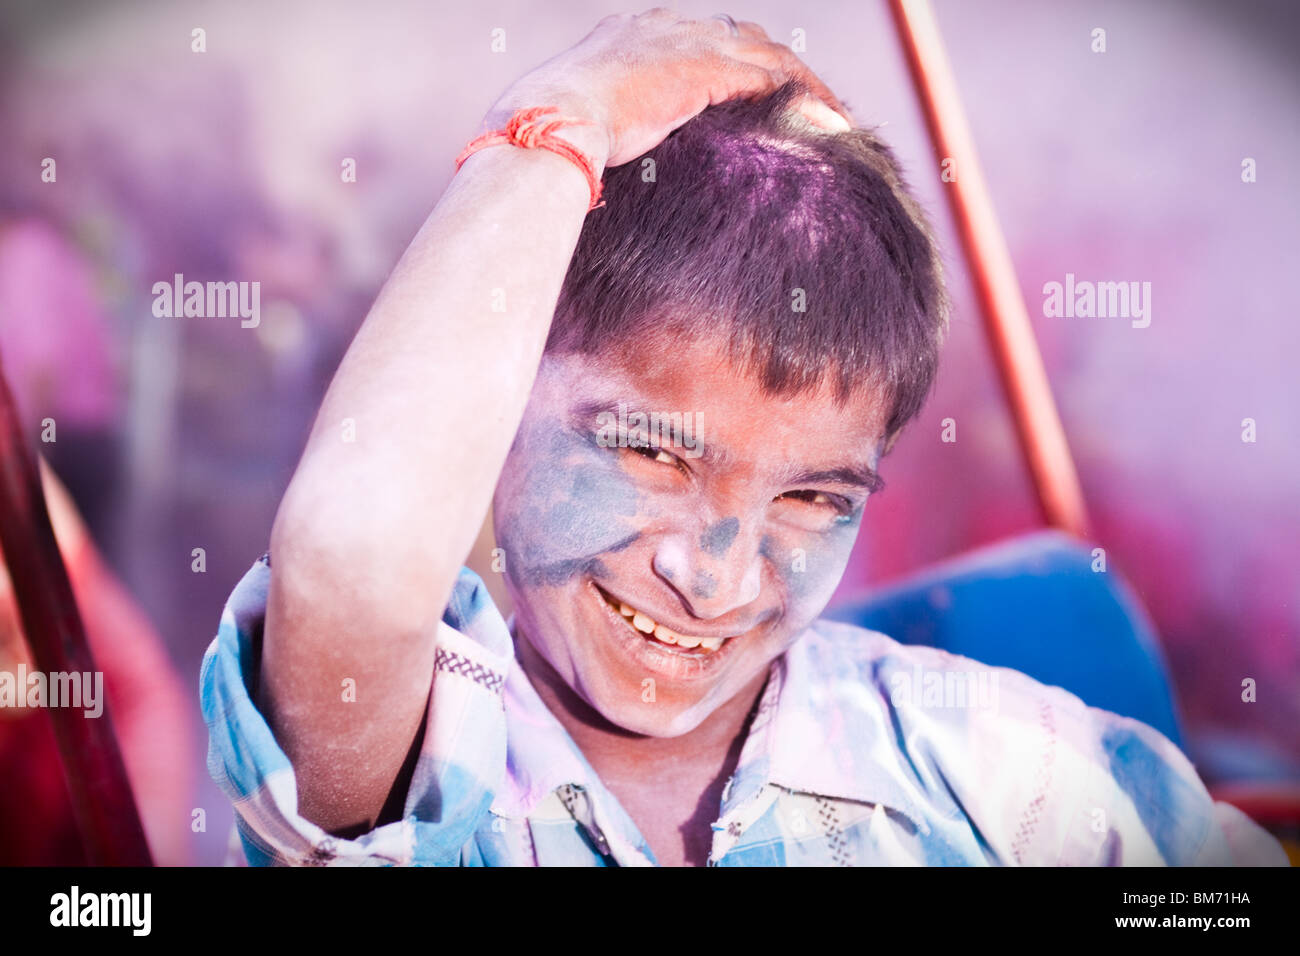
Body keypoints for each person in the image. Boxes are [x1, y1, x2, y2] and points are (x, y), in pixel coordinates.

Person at [201, 9, 1286, 866]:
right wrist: (558, 121)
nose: (713, 580)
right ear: (500, 392)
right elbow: (350, 564)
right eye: (653, 452)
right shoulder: (426, 762)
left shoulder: (997, 771)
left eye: (813, 497)